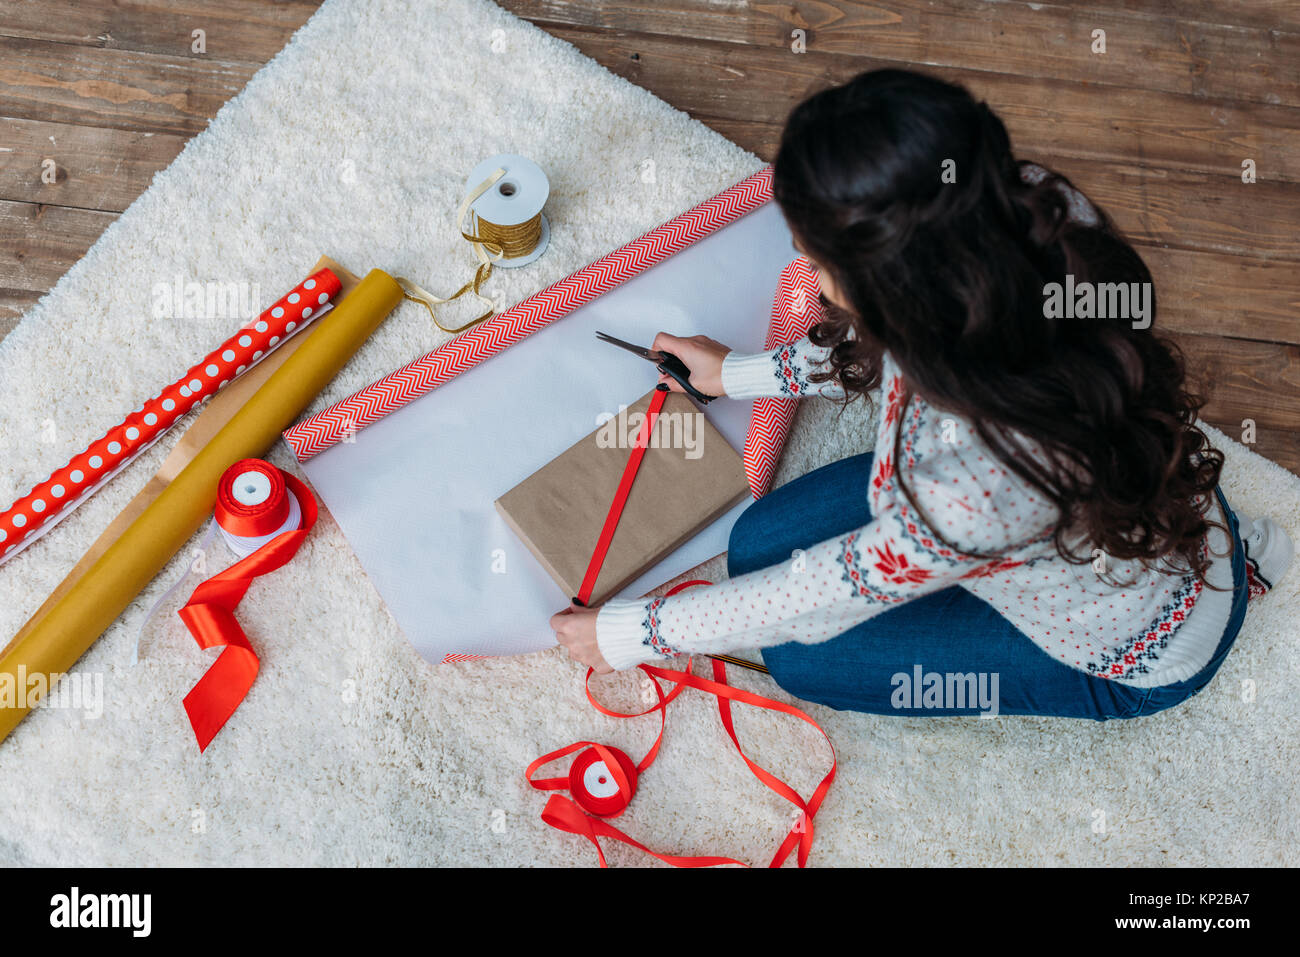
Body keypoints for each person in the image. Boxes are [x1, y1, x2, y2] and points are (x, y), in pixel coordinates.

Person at [550, 69, 1292, 720]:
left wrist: (631, 634)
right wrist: (737, 374)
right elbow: (883, 351)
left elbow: (827, 591)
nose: (801, 264)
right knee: (752, 544)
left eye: (812, 256)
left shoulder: (964, 488)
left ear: (888, 291)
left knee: (798, 660)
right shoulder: (1032, 213)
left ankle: (1227, 589)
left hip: (1136, 650)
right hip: (1090, 515)